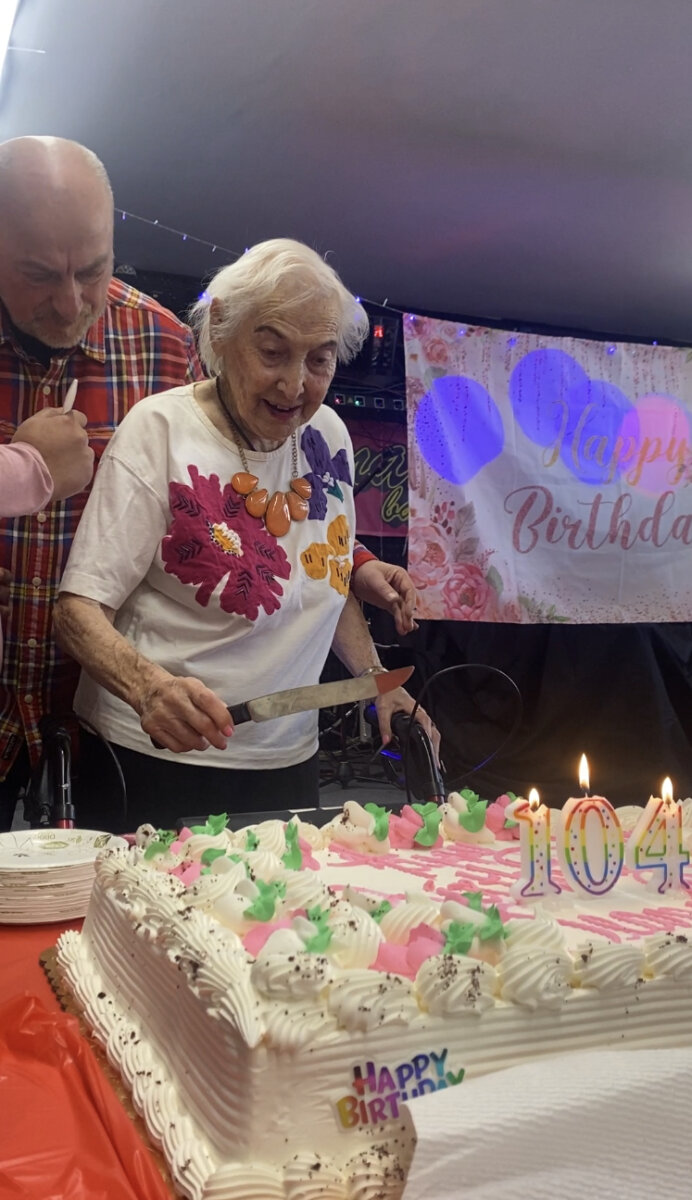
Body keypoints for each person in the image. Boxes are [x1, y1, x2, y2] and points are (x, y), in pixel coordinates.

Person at [54, 238, 432, 832]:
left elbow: (326, 578)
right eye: (273, 352)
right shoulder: (160, 431)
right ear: (222, 333)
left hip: (287, 760)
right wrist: (148, 689)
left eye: (319, 360)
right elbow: (77, 611)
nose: (295, 385)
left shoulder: (328, 436)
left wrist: (377, 684)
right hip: (154, 757)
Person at [0, 135, 203, 830]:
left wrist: (351, 561)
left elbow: (233, 487)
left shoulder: (167, 346)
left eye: (92, 271)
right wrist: (24, 472)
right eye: (37, 275)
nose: (69, 304)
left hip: (105, 717)